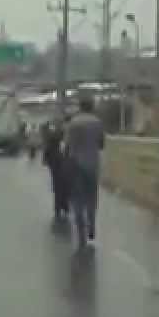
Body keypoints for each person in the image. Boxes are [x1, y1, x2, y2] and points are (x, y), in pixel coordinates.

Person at [65, 96, 106, 249]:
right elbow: (102, 144)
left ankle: (81, 230)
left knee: (77, 199)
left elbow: (67, 144)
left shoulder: (73, 123)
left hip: (76, 164)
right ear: (92, 106)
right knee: (91, 197)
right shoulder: (98, 123)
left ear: (80, 107)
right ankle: (91, 225)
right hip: (92, 164)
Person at [42, 121, 69, 220]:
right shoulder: (61, 138)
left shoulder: (53, 136)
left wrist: (45, 160)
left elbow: (47, 150)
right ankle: (63, 207)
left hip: (55, 164)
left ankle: (59, 207)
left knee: (58, 187)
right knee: (63, 186)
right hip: (61, 163)